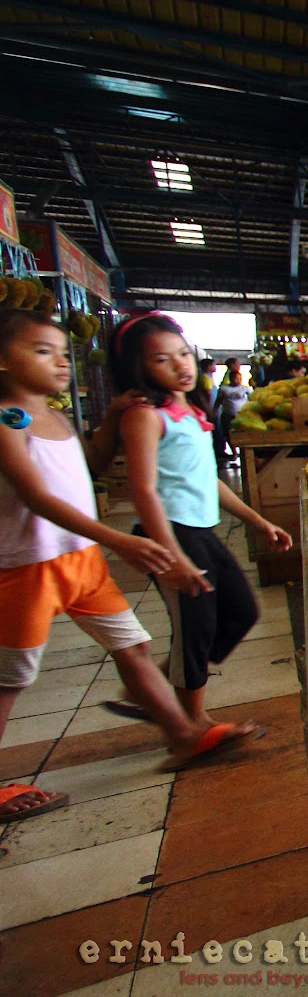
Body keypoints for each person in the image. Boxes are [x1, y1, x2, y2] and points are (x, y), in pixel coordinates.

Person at [0, 310, 261, 828]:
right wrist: (122, 538)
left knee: (133, 646)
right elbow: (36, 496)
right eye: (40, 351)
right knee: (10, 681)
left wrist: (107, 422)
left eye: (60, 351)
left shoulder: (52, 415)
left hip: (81, 560)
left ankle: (184, 735)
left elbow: (92, 464)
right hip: (28, 565)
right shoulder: (7, 419)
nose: (59, 362)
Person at [109, 311, 291, 731]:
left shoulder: (189, 412)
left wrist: (257, 521)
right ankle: (193, 721)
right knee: (196, 627)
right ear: (137, 368)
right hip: (169, 534)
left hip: (199, 531)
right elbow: (143, 490)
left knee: (241, 612)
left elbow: (208, 480)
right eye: (162, 359)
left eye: (182, 354)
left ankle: (152, 688)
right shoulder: (143, 416)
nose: (180, 365)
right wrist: (172, 555)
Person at [213, 366, 249, 468]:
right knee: (228, 434)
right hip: (228, 415)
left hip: (242, 415)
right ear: (231, 379)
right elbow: (218, 401)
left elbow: (252, 400)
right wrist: (214, 411)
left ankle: (243, 453)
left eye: (240, 378)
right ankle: (234, 452)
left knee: (243, 434)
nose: (238, 381)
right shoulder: (224, 389)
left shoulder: (245, 389)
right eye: (235, 378)